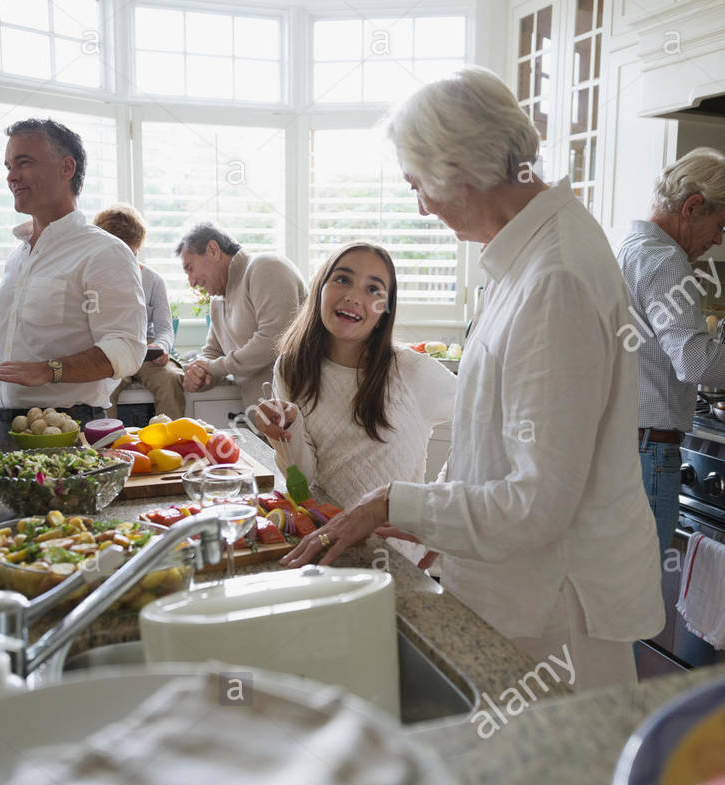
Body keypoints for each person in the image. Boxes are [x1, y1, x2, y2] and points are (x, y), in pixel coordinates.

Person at [283, 67, 664, 690]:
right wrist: (428, 524)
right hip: (518, 589)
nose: (422, 205)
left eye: (418, 185)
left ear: (455, 167)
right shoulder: (527, 259)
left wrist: (392, 502)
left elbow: (536, 503)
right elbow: (488, 440)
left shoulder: (555, 278)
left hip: (553, 607)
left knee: (554, 782)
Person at [617, 147, 725, 559]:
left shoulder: (629, 247)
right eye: (722, 226)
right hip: (648, 451)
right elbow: (697, 361)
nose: (717, 239)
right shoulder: (664, 260)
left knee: (618, 589)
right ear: (693, 207)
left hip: (623, 445)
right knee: (637, 588)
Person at [254, 242, 455, 522]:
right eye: (342, 279)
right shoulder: (291, 368)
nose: (352, 296)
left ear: (385, 309)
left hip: (395, 551)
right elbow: (302, 485)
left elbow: (485, 425)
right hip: (324, 540)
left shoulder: (413, 371)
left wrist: (437, 503)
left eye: (373, 289)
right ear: (320, 287)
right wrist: (288, 431)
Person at [0, 119, 148, 423]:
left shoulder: (105, 252)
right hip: (1, 421)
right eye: (8, 166)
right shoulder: (18, 256)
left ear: (67, 168)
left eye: (23, 163)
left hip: (69, 426)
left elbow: (127, 349)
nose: (11, 176)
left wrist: (46, 370)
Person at [175, 222, 306, 411]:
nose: (192, 282)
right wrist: (199, 375)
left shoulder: (265, 267)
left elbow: (274, 339)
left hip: (299, 417)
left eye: (190, 268)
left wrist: (212, 367)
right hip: (265, 421)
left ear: (213, 250)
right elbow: (213, 352)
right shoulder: (218, 300)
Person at [92, 203, 185, 420]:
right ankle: (107, 450)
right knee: (101, 387)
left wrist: (161, 347)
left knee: (171, 379)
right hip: (110, 356)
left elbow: (165, 329)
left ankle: (169, 446)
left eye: (132, 254)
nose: (127, 262)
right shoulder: (92, 280)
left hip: (147, 358)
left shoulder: (153, 280)